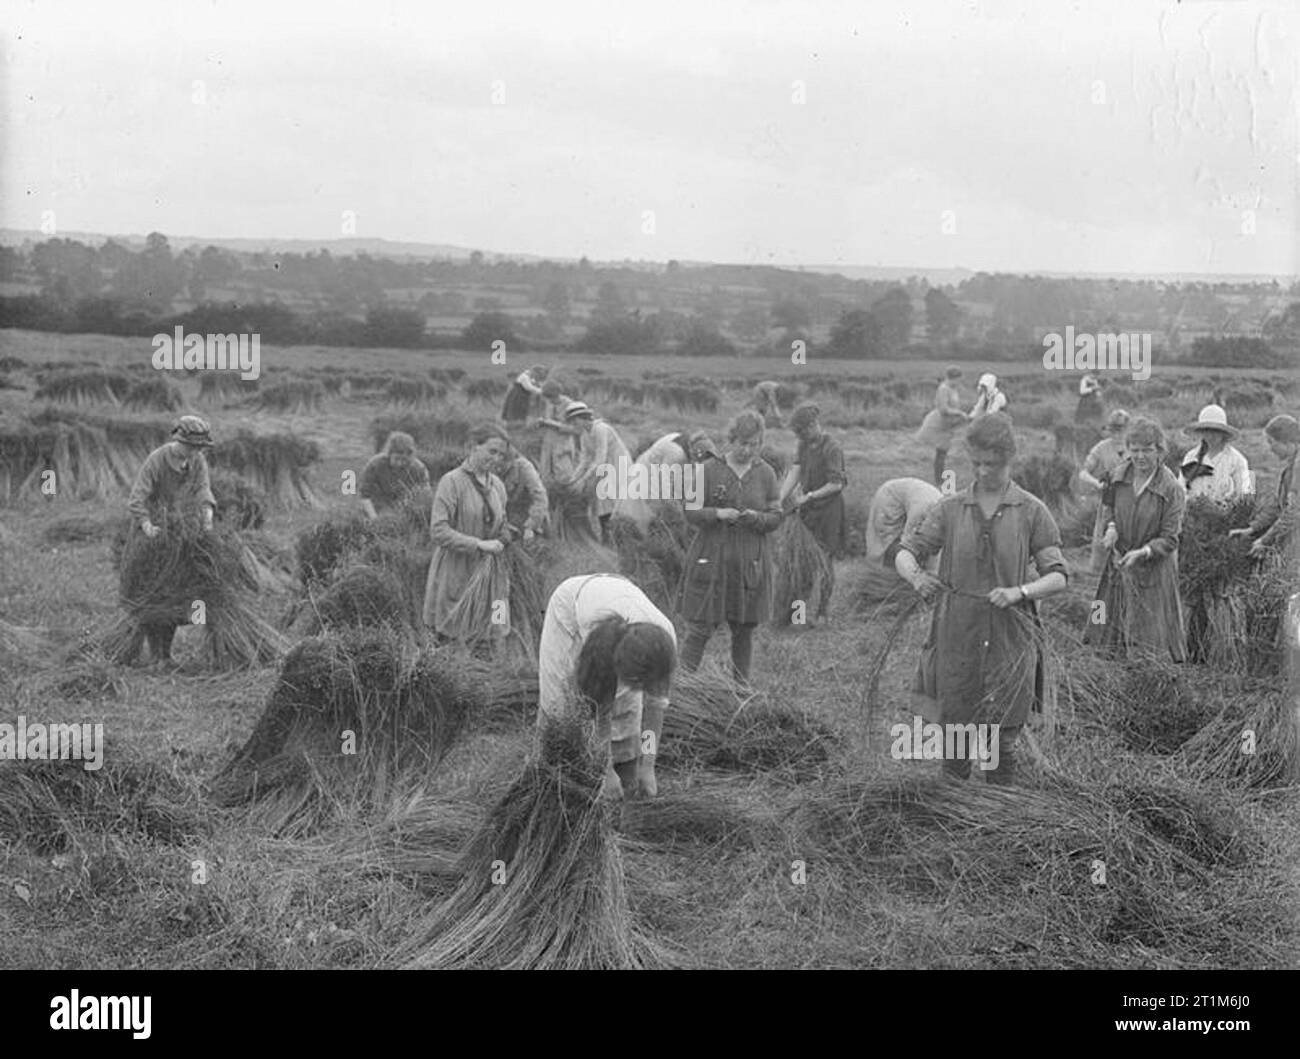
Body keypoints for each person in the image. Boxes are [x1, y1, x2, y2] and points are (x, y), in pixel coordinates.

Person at [894, 412, 1069, 785]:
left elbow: (1058, 576)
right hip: (957, 633)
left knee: (1001, 739)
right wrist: (916, 577)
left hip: (1009, 637)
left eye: (992, 464)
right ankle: (954, 808)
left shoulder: (1031, 511)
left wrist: (1020, 592)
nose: (983, 471)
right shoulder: (951, 509)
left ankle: (996, 816)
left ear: (1009, 459)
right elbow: (907, 550)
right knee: (956, 734)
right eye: (976, 463)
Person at [536, 573, 677, 799]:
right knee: (560, 705)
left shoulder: (664, 642)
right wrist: (606, 771)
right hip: (570, 607)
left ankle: (625, 764)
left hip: (617, 593)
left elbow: (655, 709)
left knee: (629, 705)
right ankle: (553, 774)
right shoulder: (599, 640)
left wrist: (648, 766)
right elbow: (599, 711)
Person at [679, 411, 781, 682]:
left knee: (744, 629)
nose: (747, 450)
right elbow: (690, 511)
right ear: (731, 440)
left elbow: (776, 515)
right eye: (742, 443)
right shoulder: (709, 470)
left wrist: (757, 518)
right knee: (700, 627)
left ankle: (740, 690)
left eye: (754, 444)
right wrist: (717, 514)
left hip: (749, 563)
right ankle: (680, 688)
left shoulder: (766, 473)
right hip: (711, 559)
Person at [1083, 416, 1186, 661]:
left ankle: (1147, 669)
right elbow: (1109, 508)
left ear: (1160, 451)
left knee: (1149, 636)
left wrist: (1143, 553)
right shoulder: (1117, 476)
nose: (1140, 457)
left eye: (1147, 451)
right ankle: (1093, 651)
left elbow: (1170, 539)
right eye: (1134, 450)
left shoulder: (1171, 488)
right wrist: (1111, 528)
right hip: (1118, 561)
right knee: (1102, 616)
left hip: (1153, 569)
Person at [123, 415, 218, 665]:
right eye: (192, 446)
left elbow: (203, 490)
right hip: (152, 536)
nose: (196, 451)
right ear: (179, 441)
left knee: (177, 595)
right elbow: (136, 498)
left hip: (181, 534)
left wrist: (206, 517)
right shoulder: (157, 460)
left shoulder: (197, 461)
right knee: (153, 596)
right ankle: (155, 655)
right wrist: (147, 525)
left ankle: (166, 654)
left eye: (199, 447)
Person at [422, 423, 510, 643]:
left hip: (491, 568)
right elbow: (438, 531)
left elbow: (503, 522)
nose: (497, 459)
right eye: (492, 451)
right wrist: (478, 544)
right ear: (473, 447)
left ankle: (493, 663)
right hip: (457, 568)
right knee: (453, 628)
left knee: (494, 623)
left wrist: (504, 536)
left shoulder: (497, 485)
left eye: (501, 454)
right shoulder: (451, 482)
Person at [779, 403, 847, 624]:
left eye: (802, 431)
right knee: (804, 561)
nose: (800, 436)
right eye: (797, 433)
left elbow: (836, 484)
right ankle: (798, 613)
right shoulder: (803, 445)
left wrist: (807, 497)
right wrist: (780, 498)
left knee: (825, 560)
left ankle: (823, 612)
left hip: (829, 512)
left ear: (812, 425)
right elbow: (796, 471)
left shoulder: (832, 447)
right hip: (809, 510)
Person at [612, 428, 720, 530]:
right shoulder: (676, 453)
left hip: (655, 474)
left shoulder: (687, 443)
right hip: (645, 476)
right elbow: (665, 486)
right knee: (639, 515)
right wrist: (676, 508)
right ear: (695, 453)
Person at [1229, 414, 1300, 557]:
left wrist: (1265, 540)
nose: (1270, 448)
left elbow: (1293, 511)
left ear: (1286, 442)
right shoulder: (1291, 465)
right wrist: (1252, 529)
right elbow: (1278, 504)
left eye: (1271, 442)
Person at [861, 477, 942, 601]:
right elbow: (907, 547)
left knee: (924, 552)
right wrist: (918, 579)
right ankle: (884, 583)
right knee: (890, 543)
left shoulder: (948, 516)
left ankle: (907, 577)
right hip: (889, 498)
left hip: (916, 496)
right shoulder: (923, 514)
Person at [566, 401, 633, 545]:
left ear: (582, 417)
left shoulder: (600, 429)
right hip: (604, 468)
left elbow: (600, 458)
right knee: (601, 502)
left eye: (575, 420)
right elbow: (584, 460)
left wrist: (583, 481)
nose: (573, 424)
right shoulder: (585, 435)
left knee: (614, 501)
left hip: (618, 466)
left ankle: (620, 537)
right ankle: (607, 537)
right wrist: (572, 480)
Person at [1078, 409, 1131, 573]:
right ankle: (1100, 575)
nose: (1117, 433)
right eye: (1114, 429)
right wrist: (1097, 484)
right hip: (1109, 500)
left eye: (1121, 429)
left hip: (1132, 500)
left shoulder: (1135, 446)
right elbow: (1083, 472)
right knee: (1103, 540)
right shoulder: (1102, 448)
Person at [1179, 404, 1253, 504]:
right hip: (1194, 515)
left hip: (1227, 517)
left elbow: (1246, 494)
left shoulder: (1238, 460)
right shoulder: (1190, 457)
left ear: (1223, 433)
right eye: (1206, 430)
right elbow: (1181, 491)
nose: (1210, 435)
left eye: (1215, 431)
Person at [915, 366, 969, 486]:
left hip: (947, 424)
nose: (960, 383)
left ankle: (940, 478)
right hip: (939, 423)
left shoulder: (953, 389)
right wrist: (959, 413)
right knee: (941, 451)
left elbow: (953, 406)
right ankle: (939, 480)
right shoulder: (943, 389)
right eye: (959, 380)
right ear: (953, 378)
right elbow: (943, 409)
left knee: (943, 451)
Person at [359, 431, 431, 518]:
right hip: (378, 507)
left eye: (404, 460)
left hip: (407, 508)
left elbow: (425, 495)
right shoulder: (375, 465)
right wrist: (374, 518)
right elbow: (364, 495)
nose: (400, 463)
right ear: (389, 454)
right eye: (396, 459)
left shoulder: (419, 469)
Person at [495, 441, 549, 542]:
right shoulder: (491, 466)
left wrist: (530, 526)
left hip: (527, 514)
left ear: (510, 461)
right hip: (505, 516)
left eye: (502, 464)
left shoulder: (525, 468)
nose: (498, 469)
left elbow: (540, 499)